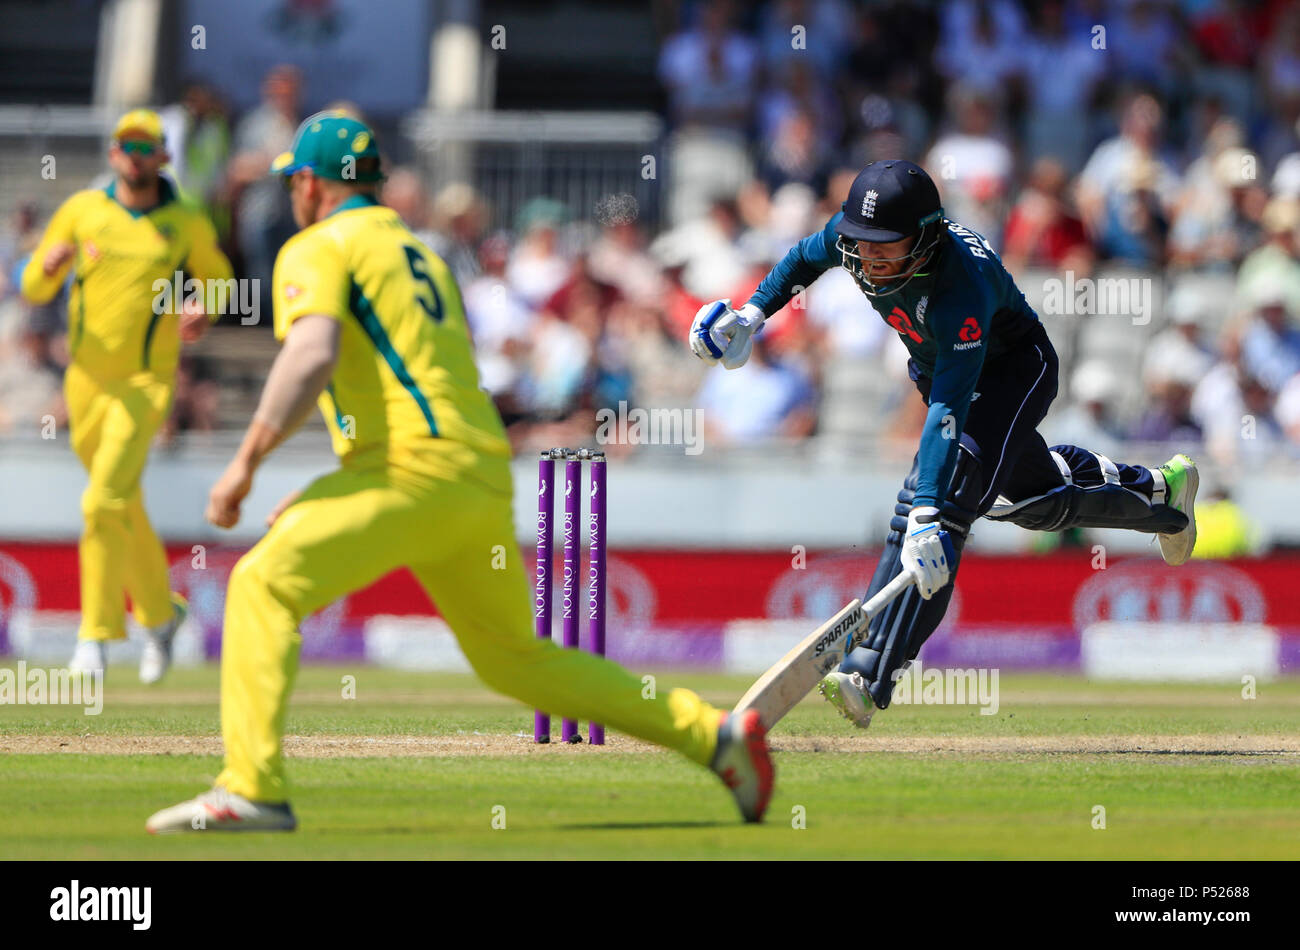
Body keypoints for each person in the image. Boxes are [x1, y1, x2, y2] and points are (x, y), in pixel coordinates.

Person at [145, 113, 772, 833]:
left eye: (295, 181)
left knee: (261, 584)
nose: (293, 194)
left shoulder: (317, 246)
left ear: (312, 184)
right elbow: (416, 373)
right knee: (517, 662)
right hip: (474, 472)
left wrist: (245, 462)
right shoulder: (424, 254)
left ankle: (252, 787)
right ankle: (714, 736)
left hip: (411, 472)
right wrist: (340, 486)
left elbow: (311, 354)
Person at [690, 160, 1199, 729]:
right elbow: (804, 258)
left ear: (926, 236)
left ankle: (870, 669)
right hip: (940, 377)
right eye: (861, 245)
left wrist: (929, 513)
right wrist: (753, 313)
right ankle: (1161, 496)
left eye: (886, 247)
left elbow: (949, 413)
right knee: (1035, 501)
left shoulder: (961, 288)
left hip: (1009, 373)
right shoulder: (856, 237)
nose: (869, 259)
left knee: (939, 505)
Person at [20, 109, 232, 684]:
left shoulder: (183, 219)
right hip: (84, 381)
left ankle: (96, 635)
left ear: (163, 156)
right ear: (113, 153)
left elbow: (218, 277)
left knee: (99, 504)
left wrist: (203, 307)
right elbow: (31, 283)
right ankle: (162, 617)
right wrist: (48, 265)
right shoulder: (83, 210)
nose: (134, 156)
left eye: (146, 147)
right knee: (119, 504)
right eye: (125, 146)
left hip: (146, 382)